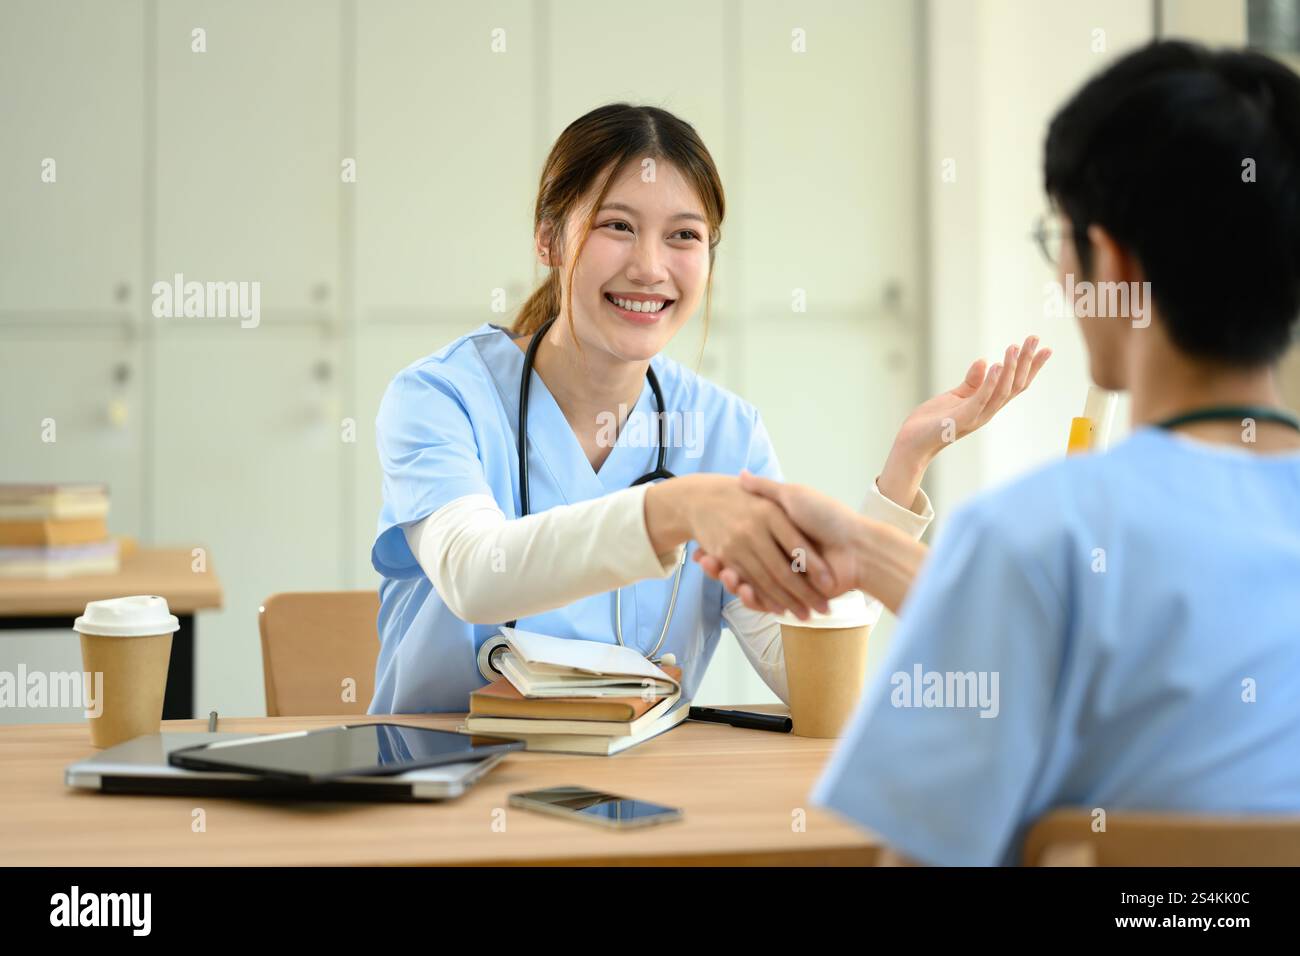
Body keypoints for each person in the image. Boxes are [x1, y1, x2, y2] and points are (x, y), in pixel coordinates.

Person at [696, 40, 1300, 865]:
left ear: (1110, 262)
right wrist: (874, 551)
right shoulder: (1043, 542)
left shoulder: (1035, 535)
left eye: (1059, 239)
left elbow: (919, 854)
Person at [368, 103, 1047, 715]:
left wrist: (903, 470)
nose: (649, 267)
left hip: (643, 795)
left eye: (684, 236)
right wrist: (677, 509)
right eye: (617, 226)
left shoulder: (723, 431)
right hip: (452, 785)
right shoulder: (441, 398)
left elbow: (803, 677)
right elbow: (475, 574)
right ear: (549, 239)